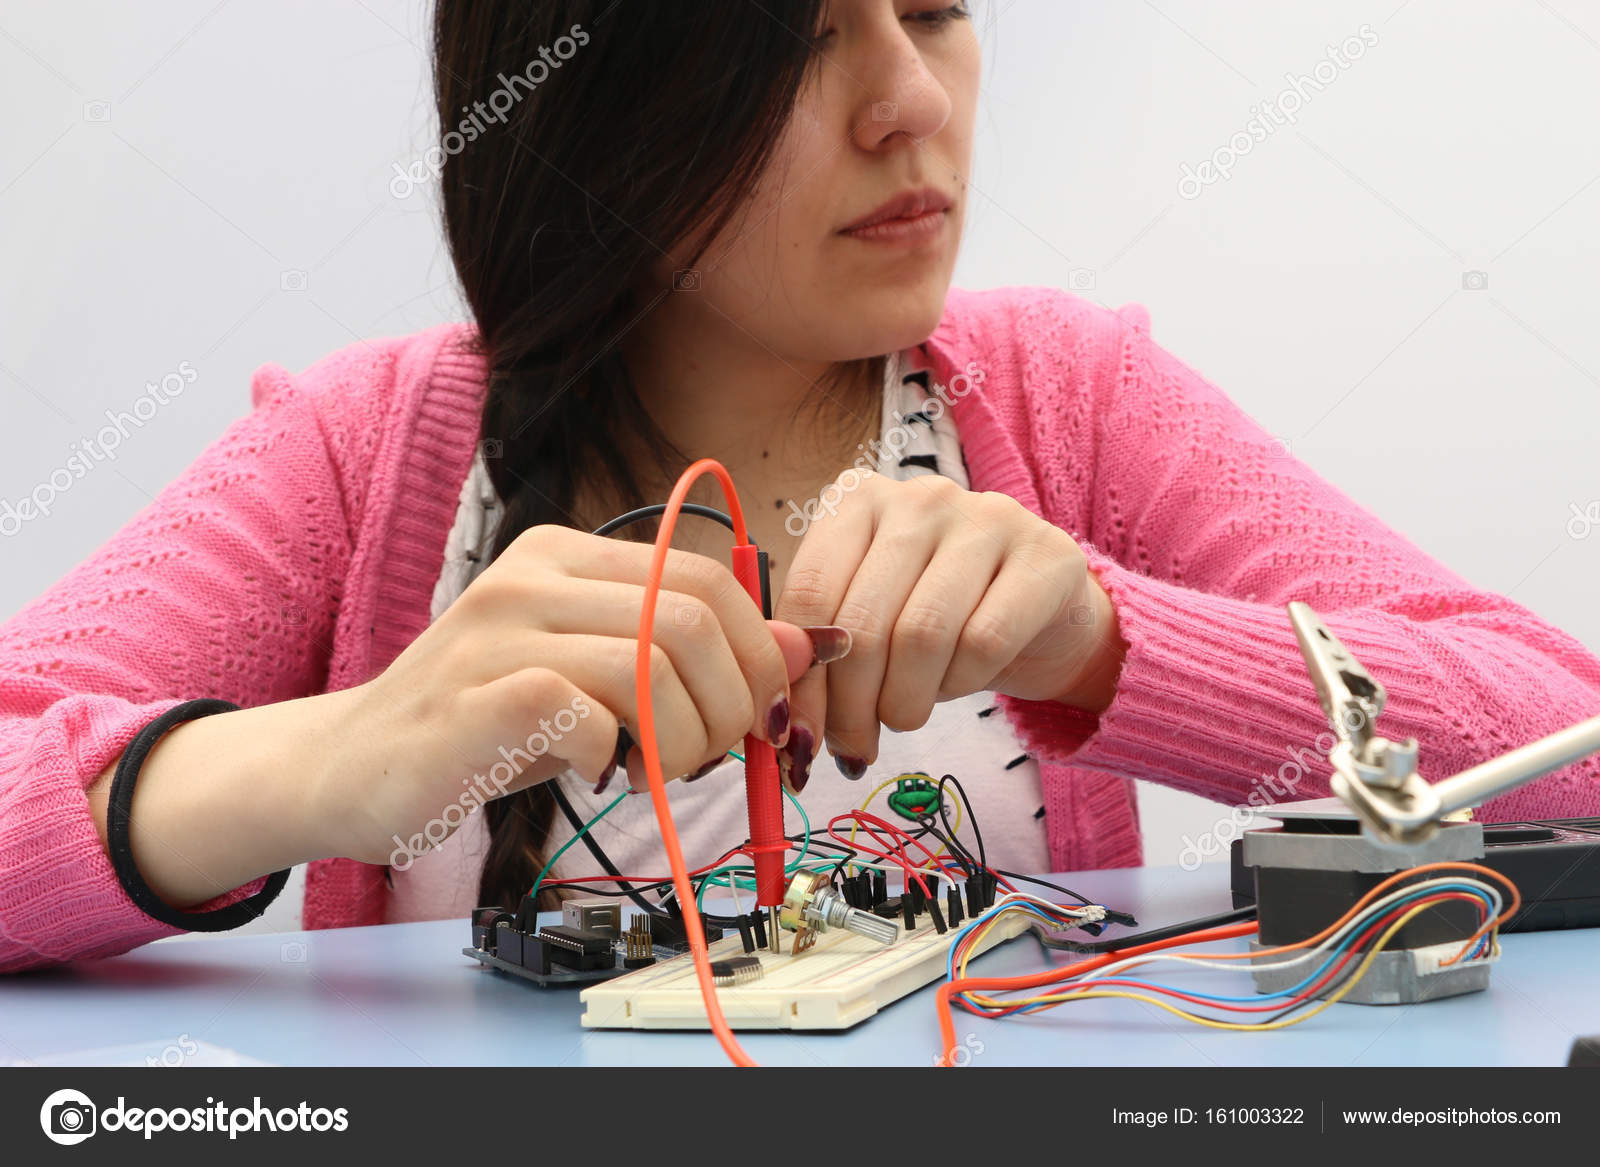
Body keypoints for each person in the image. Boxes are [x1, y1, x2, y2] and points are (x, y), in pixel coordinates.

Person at [3, 0, 1597, 973]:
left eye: (938, 5)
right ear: (592, 93)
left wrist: (1108, 645)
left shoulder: (1072, 397)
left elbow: (1563, 744)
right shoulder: (366, 450)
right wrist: (319, 766)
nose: (914, 103)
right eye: (795, 37)